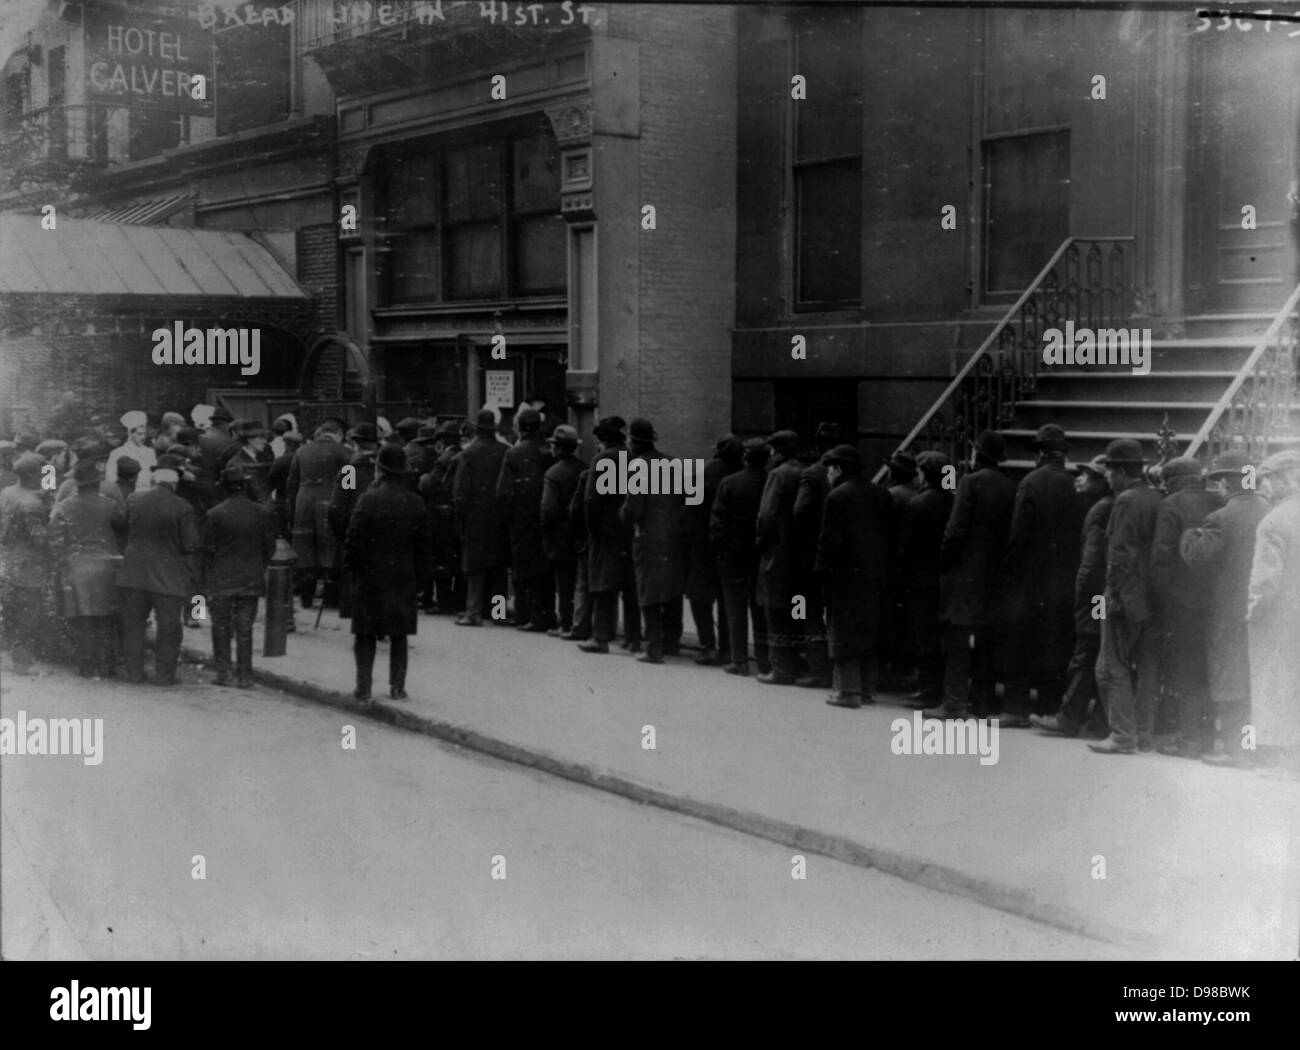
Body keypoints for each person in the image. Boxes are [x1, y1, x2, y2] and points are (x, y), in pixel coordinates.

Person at [1179, 449, 1271, 767]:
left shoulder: (1221, 517)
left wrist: (1190, 534)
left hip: (1228, 613)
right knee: (1251, 679)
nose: (1217, 487)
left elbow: (1198, 557)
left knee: (1230, 681)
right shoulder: (1267, 509)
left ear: (1228, 483)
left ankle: (1237, 751)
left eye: (1219, 480)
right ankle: (1251, 747)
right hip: (1261, 610)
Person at [998, 424, 1085, 727]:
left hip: (1029, 580)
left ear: (1040, 454)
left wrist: (1008, 575)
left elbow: (1017, 536)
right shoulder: (1075, 486)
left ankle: (1015, 708)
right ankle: (1050, 706)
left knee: (1020, 642)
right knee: (1056, 643)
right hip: (1063, 582)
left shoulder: (1030, 483)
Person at [924, 430, 1014, 721]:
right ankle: (981, 702)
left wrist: (944, 564)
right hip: (995, 574)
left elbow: (955, 530)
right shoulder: (1010, 486)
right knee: (985, 639)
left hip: (965, 573)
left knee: (957, 639)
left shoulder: (969, 482)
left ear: (978, 455)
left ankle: (953, 703)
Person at [1089, 439, 1164, 755]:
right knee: (1147, 668)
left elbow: (1118, 554)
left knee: (1110, 666)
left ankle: (1122, 735)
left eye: (1108, 470)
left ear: (1119, 471)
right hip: (1152, 596)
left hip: (1125, 595)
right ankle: (1143, 734)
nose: (1106, 476)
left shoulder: (1126, 501)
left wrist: (1110, 596)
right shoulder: (1156, 497)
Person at [1033, 455, 1113, 737]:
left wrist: (1082, 597)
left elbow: (1091, 564)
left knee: (1086, 653)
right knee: (1101, 653)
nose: (1078, 478)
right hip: (1103, 596)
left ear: (1101, 483)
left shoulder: (1099, 511)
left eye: (1086, 475)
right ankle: (1099, 721)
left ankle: (1069, 718)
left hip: (1094, 597)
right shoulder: (1105, 506)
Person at [344, 445, 432, 701]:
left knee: (365, 633)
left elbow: (353, 540)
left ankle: (363, 687)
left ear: (380, 471)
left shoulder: (367, 499)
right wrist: (421, 580)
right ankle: (397, 687)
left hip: (370, 576)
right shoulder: (415, 503)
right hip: (403, 577)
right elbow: (424, 547)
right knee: (399, 634)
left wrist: (354, 570)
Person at [1149, 456, 1222, 757]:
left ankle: (1190, 739)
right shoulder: (1218, 500)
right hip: (1213, 599)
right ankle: (1207, 736)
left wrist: (1161, 599)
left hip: (1181, 603)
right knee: (1207, 669)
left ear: (1172, 481)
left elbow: (1162, 559)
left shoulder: (1172, 505)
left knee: (1185, 670)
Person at [816, 445, 893, 708]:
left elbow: (829, 545)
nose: (827, 475)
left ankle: (847, 690)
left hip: (844, 579)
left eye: (829, 470)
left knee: (843, 631)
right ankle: (868, 690)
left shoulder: (836, 497)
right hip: (876, 576)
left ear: (837, 469)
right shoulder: (882, 494)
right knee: (870, 631)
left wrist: (822, 575)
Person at [116, 454, 201, 686]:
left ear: (154, 480)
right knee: (169, 628)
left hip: (132, 574)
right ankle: (165, 676)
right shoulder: (182, 506)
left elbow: (120, 527)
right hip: (167, 578)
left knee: (133, 626)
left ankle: (134, 673)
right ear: (174, 483)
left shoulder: (133, 499)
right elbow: (190, 544)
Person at [1245, 450, 1300, 773]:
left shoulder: (1274, 520)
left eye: (1268, 480)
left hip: (1280, 617)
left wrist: (1253, 613)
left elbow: (1265, 581)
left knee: (1275, 684)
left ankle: (1282, 760)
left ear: (1285, 480)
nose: (1265, 487)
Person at [619, 418, 688, 664]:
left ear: (635, 442)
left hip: (647, 536)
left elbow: (632, 509)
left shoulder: (638, 466)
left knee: (647, 589)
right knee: (671, 588)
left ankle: (653, 647)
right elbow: (684, 499)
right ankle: (672, 643)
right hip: (672, 536)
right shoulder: (672, 463)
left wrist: (623, 518)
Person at [203, 464, 277, 688]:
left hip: (222, 577)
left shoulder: (215, 514)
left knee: (221, 625)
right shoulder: (262, 512)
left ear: (225, 487)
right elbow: (270, 548)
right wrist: (258, 565)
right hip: (251, 577)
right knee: (245, 627)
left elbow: (208, 548)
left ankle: (223, 672)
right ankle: (245, 676)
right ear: (245, 486)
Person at [579, 417, 640, 654]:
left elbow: (591, 500)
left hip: (605, 530)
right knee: (630, 586)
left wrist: (593, 529)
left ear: (603, 438)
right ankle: (634, 639)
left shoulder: (603, 459)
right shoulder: (632, 458)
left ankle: (600, 637)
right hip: (627, 529)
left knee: (603, 584)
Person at [899, 450, 954, 709]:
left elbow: (906, 548)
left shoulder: (917, 504)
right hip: (945, 578)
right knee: (940, 636)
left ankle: (928, 690)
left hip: (920, 580)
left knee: (924, 636)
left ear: (924, 474)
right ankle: (939, 688)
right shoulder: (953, 501)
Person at [711, 438, 770, 675]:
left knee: (734, 610)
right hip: (760, 556)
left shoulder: (729, 483)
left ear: (745, 458)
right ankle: (765, 660)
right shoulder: (770, 481)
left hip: (733, 557)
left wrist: (721, 552)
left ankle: (740, 660)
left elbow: (717, 524)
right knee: (759, 610)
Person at [790, 423, 839, 687]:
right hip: (837, 555)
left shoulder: (812, 473)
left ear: (818, 445)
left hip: (811, 554)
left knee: (808, 611)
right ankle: (835, 667)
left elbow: (801, 511)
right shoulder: (847, 474)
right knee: (831, 611)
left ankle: (817, 667)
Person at [687, 435, 743, 666]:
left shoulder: (704, 472)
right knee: (727, 598)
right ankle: (727, 648)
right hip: (733, 546)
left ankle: (707, 645)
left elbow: (688, 505)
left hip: (702, 543)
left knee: (700, 596)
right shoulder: (742, 473)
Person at [497, 406, 554, 631]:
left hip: (520, 519)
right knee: (544, 568)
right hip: (544, 517)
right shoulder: (548, 452)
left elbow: (503, 492)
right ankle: (546, 615)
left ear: (520, 428)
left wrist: (506, 517)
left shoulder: (513, 453)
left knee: (521, 569)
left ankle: (523, 615)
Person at [755, 429, 805, 685]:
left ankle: (782, 668)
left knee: (775, 609)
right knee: (797, 608)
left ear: (779, 452)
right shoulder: (804, 472)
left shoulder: (777, 475)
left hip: (778, 550)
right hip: (799, 550)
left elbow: (766, 516)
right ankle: (798, 663)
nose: (771, 455)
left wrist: (761, 540)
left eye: (773, 451)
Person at [452, 409, 508, 627]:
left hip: (475, 517)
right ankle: (498, 613)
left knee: (475, 566)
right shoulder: (505, 451)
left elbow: (460, 492)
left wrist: (460, 518)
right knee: (499, 566)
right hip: (499, 517)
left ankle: (473, 612)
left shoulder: (469, 454)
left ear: (476, 429)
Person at [289, 420, 351, 609]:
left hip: (304, 502)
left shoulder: (301, 451)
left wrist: (293, 508)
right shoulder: (344, 452)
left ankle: (306, 598)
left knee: (305, 549)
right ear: (338, 434)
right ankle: (331, 598)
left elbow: (291, 483)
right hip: (330, 502)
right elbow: (350, 484)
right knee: (330, 548)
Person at [0, 453, 52, 674]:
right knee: (29, 613)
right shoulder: (31, 504)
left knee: (13, 610)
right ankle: (23, 663)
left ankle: (15, 657)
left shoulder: (8, 492)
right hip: (30, 563)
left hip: (10, 558)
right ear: (33, 475)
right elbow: (40, 539)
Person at [329, 421, 382, 618]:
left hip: (354, 528)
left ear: (357, 444)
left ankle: (352, 607)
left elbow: (336, 507)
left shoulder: (350, 471)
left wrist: (340, 532)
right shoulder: (383, 469)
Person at [541, 425, 587, 637]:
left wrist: (546, 530)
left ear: (558, 449)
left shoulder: (553, 473)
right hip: (580, 532)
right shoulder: (584, 469)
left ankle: (566, 623)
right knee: (581, 582)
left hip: (559, 535)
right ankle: (582, 622)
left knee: (564, 582)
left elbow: (548, 509)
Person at [106, 410, 157, 491]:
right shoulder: (116, 453)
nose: (143, 437)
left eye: (145, 433)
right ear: (130, 433)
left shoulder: (151, 452)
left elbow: (154, 475)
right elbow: (111, 479)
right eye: (139, 434)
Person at [266, 430, 303, 539]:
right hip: (300, 502)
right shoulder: (303, 458)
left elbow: (269, 484)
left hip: (283, 502)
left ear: (286, 444)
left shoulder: (281, 461)